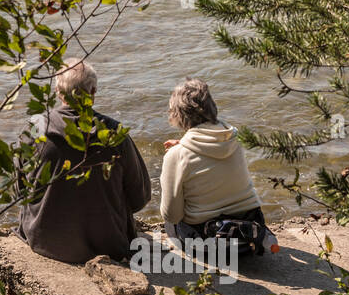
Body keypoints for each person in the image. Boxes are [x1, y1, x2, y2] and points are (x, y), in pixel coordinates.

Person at [16, 60, 151, 264]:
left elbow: (19, 190)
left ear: (57, 91)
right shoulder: (115, 134)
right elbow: (140, 197)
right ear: (94, 91)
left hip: (45, 241)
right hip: (108, 244)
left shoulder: (34, 129)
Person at [159, 77, 272, 252]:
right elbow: (209, 151)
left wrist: (176, 154)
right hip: (250, 231)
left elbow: (172, 215)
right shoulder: (235, 137)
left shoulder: (176, 156)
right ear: (212, 106)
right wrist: (183, 145)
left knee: (170, 220)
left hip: (209, 242)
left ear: (177, 113)